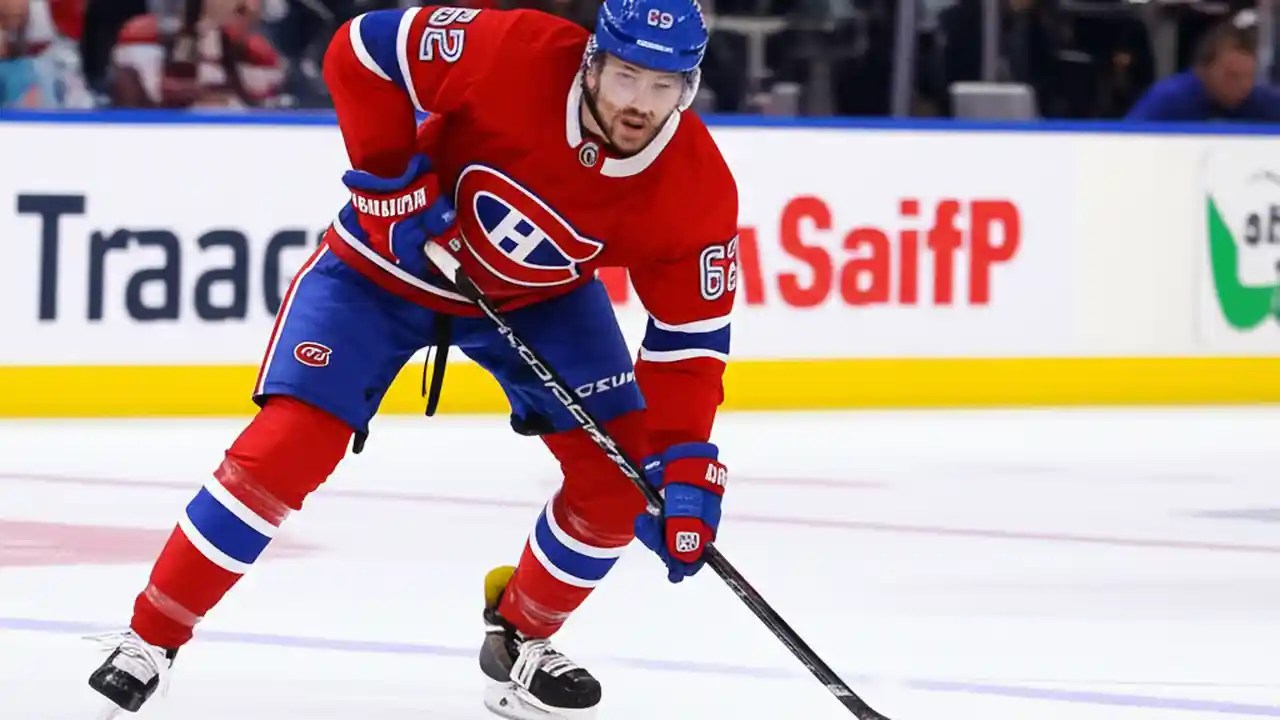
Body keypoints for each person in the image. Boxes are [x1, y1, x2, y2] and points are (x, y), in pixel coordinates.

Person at [86, 1, 740, 719]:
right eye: (626, 77)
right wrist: (390, 182)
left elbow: (690, 341)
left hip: (541, 299)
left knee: (620, 486)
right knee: (287, 447)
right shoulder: (513, 48)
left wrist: (677, 462)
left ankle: (519, 641)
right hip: (379, 271)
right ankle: (151, 640)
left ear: (690, 84)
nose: (640, 104)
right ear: (592, 61)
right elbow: (359, 51)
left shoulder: (697, 188)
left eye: (663, 85)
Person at [1125, 10, 1280, 122]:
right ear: (1203, 70)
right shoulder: (1168, 99)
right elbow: (1126, 142)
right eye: (1231, 76)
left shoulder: (1262, 100)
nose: (1244, 86)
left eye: (1250, 76)